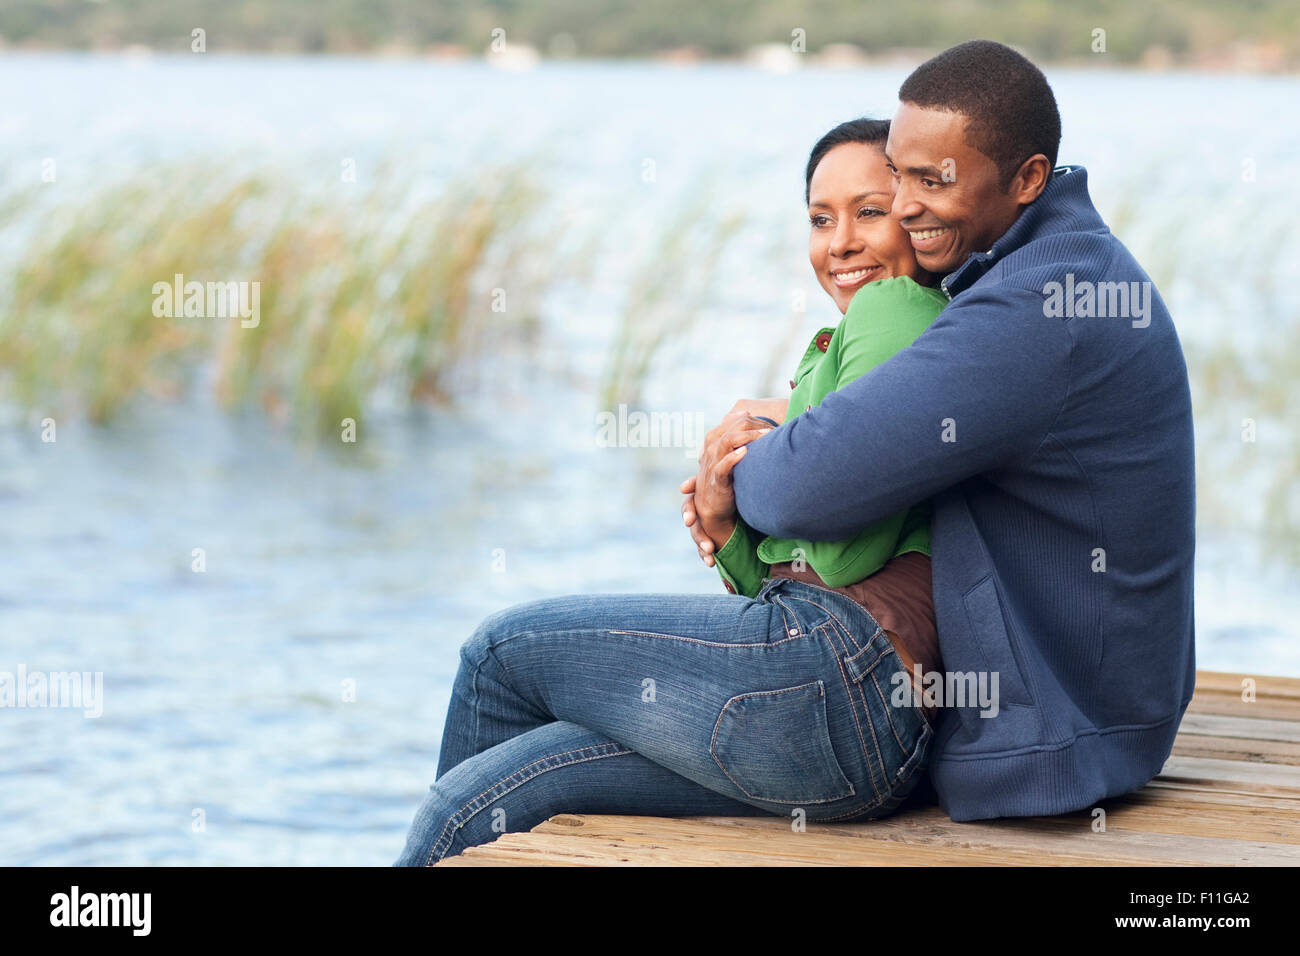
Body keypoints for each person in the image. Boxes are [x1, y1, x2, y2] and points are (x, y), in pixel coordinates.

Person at [393, 119, 943, 866]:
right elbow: (787, 582)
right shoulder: (841, 344)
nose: (839, 242)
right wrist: (724, 525)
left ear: (916, 213)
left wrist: (761, 458)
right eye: (820, 219)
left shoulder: (896, 309)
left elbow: (844, 553)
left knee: (499, 657)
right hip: (852, 725)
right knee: (477, 803)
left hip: (845, 682)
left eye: (868, 211)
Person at [722, 40, 1196, 823]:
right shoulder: (1050, 268)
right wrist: (786, 423)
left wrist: (733, 460)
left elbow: (803, 490)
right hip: (1088, 721)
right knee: (531, 769)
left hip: (1055, 740)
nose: (905, 205)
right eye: (899, 174)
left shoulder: (1038, 307)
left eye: (931, 179)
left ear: (1027, 179)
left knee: (505, 656)